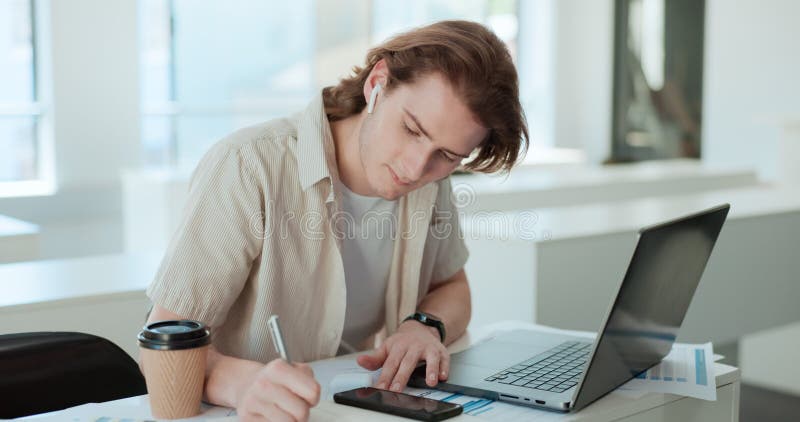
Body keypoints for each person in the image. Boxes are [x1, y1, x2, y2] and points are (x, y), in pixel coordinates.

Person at [144, 20, 528, 422]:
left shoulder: (431, 182)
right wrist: (240, 384)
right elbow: (163, 339)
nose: (416, 168)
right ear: (377, 83)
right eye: (411, 129)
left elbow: (452, 286)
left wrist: (424, 326)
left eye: (448, 156)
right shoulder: (248, 165)